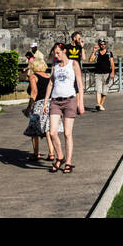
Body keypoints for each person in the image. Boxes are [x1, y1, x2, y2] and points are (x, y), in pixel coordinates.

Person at [47, 42, 84, 172]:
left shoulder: (73, 64)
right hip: (55, 101)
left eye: (58, 53)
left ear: (64, 51)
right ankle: (60, 157)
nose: (56, 56)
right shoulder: (55, 65)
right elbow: (51, 83)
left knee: (68, 134)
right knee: (52, 132)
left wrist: (81, 103)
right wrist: (46, 100)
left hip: (70, 101)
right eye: (54, 54)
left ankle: (68, 162)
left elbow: (79, 84)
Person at [23, 49, 54, 163]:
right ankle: (51, 153)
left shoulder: (33, 77)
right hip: (49, 104)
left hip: (38, 105)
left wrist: (29, 108)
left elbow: (34, 93)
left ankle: (36, 153)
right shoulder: (48, 76)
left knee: (34, 129)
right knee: (47, 128)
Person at [89, 39, 115, 111]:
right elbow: (91, 60)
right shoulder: (97, 53)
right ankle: (98, 104)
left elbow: (112, 64)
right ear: (99, 45)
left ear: (105, 45)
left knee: (104, 92)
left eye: (104, 44)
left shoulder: (109, 53)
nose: (102, 45)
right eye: (101, 44)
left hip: (107, 74)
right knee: (98, 90)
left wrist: (112, 72)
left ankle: (100, 105)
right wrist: (94, 51)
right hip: (98, 74)